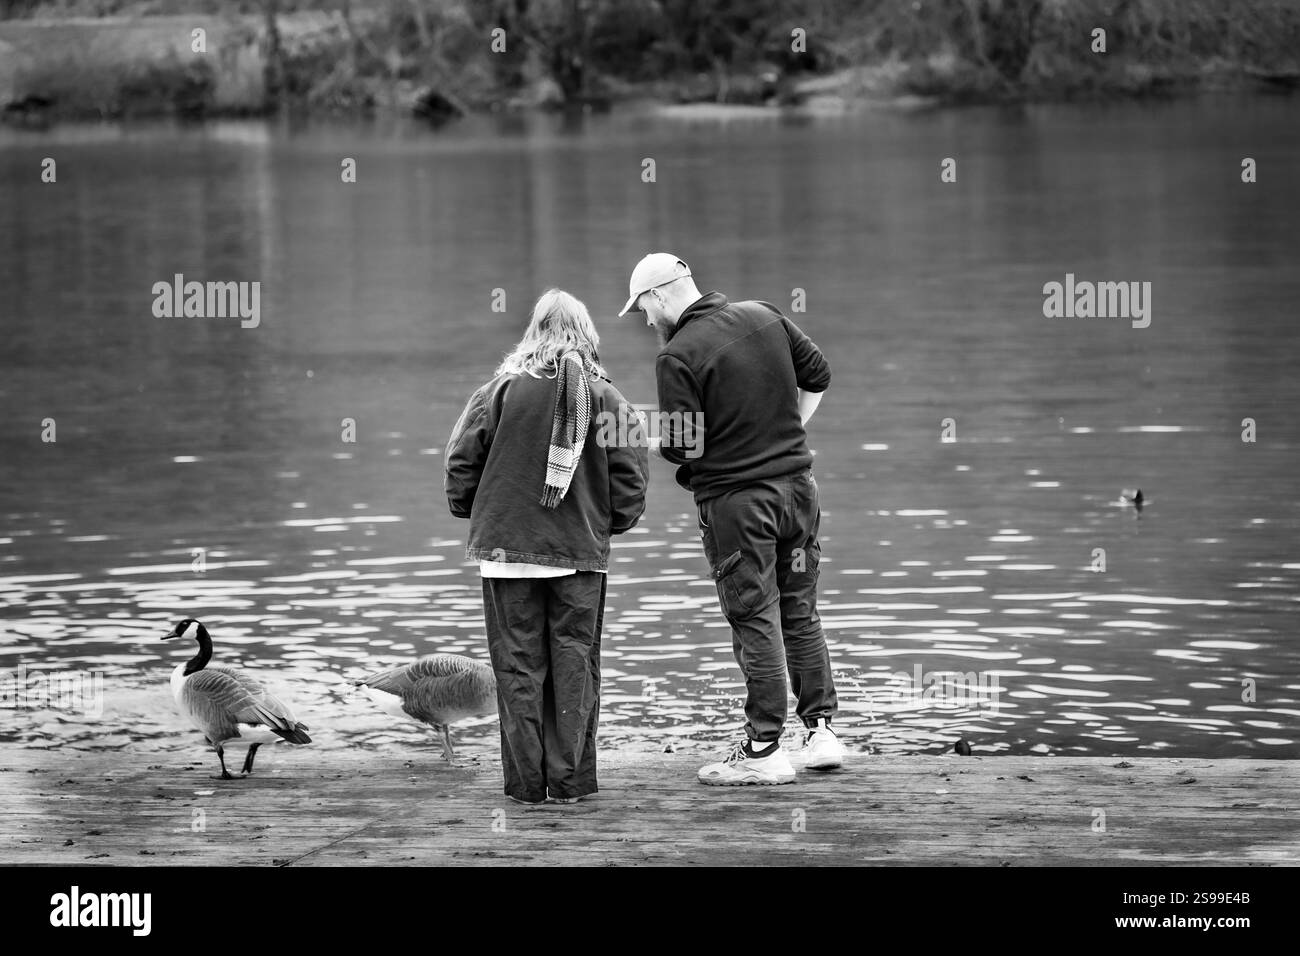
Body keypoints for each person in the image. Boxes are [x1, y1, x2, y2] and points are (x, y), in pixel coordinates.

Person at [619, 253, 844, 786]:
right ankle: (821, 733)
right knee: (800, 609)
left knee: (754, 616)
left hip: (738, 507)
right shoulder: (764, 315)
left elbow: (680, 444)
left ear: (657, 297)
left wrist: (634, 441)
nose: (647, 322)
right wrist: (788, 433)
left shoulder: (677, 355)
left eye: (644, 311)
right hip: (799, 491)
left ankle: (765, 749)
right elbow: (820, 375)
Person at [445, 289, 649, 804]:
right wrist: (605, 525)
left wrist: (489, 517)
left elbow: (460, 467)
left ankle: (525, 787)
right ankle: (571, 783)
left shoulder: (499, 391)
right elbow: (631, 480)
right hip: (578, 555)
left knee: (516, 670)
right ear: (587, 335)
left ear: (533, 332)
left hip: (506, 554)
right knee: (575, 667)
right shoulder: (605, 397)